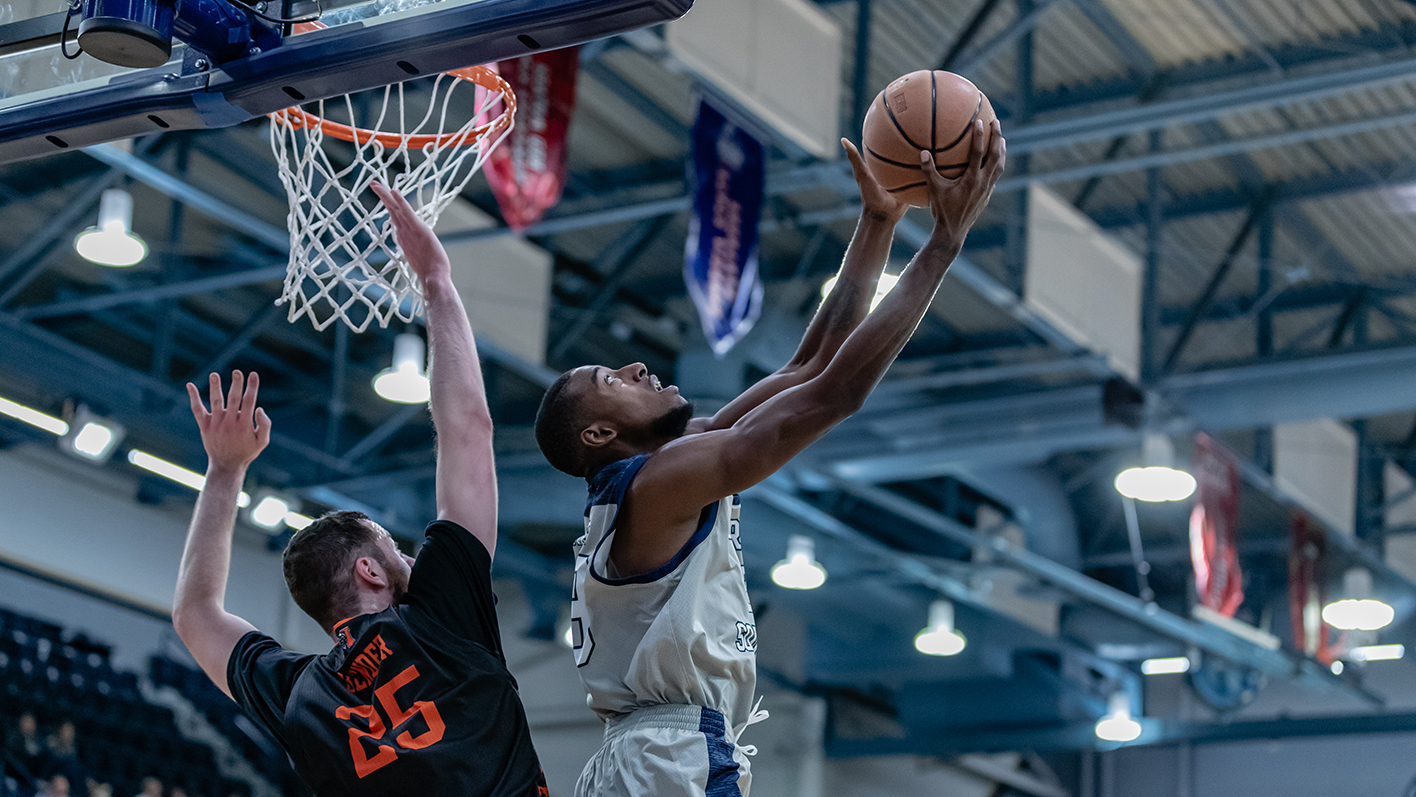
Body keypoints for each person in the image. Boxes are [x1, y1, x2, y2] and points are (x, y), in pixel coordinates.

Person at [534, 123, 1005, 796]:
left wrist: (877, 224)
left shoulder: (663, 475)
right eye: (613, 380)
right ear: (601, 435)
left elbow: (809, 364)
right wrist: (942, 246)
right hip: (666, 758)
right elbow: (835, 392)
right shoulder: (658, 484)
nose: (637, 366)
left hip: (655, 755)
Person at [170, 182, 547, 796]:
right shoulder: (439, 616)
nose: (411, 556)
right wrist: (438, 286)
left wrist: (224, 469)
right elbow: (470, 433)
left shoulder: (303, 696)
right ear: (371, 572)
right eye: (395, 549)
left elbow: (195, 614)